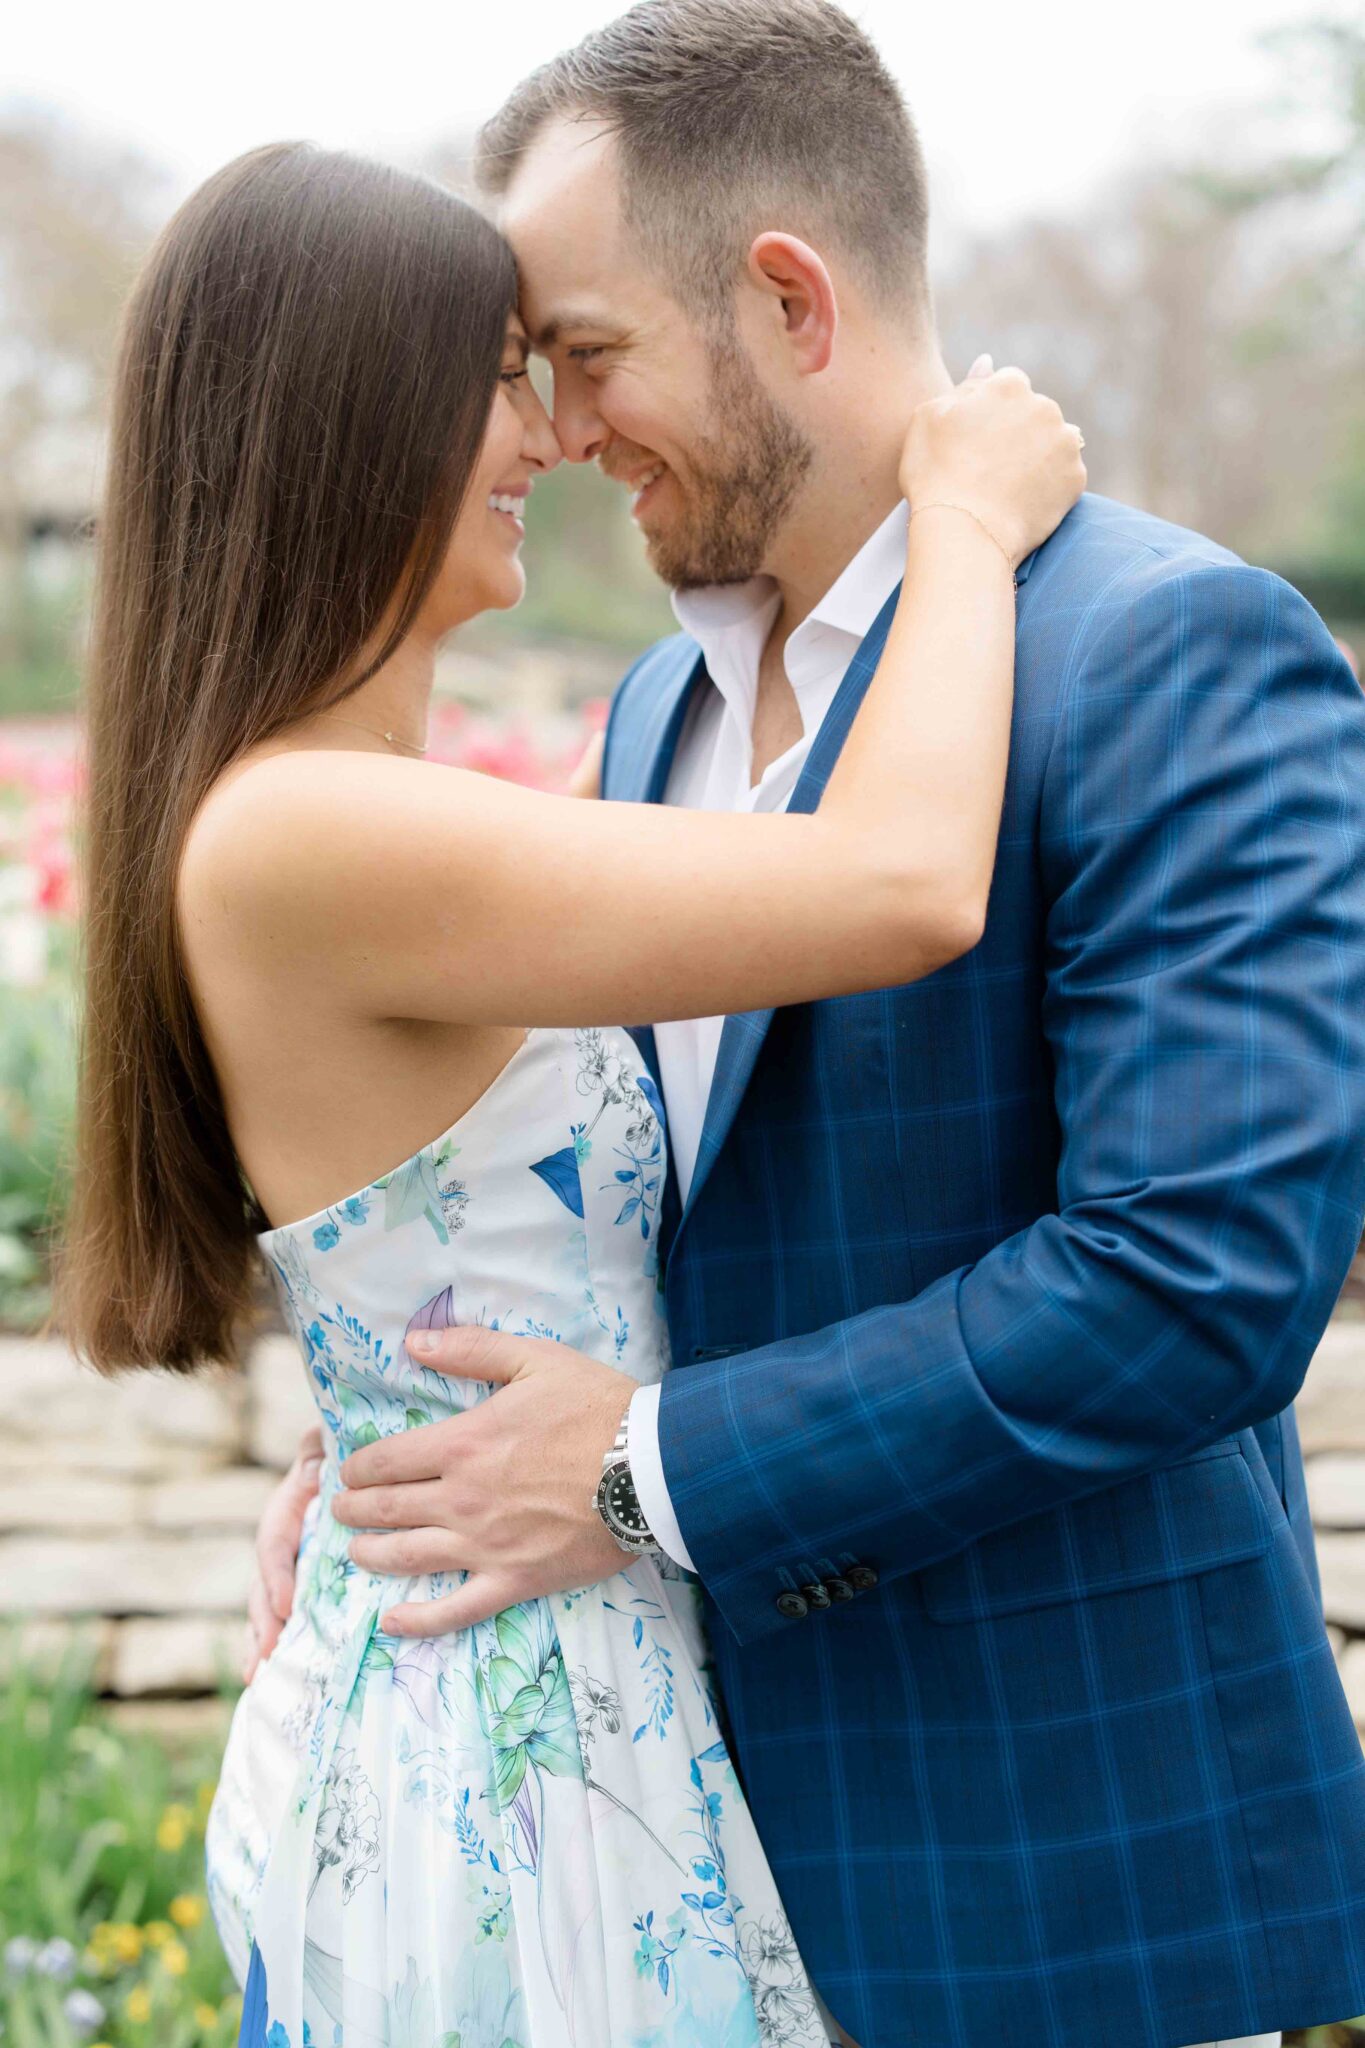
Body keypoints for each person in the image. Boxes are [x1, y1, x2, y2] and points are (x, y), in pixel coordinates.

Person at [250, 5, 1365, 2045]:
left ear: (781, 298)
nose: (558, 432)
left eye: (581, 354)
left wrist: (635, 1471)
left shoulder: (1166, 654)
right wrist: (405, 1440)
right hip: (659, 1859)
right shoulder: (647, 715)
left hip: (1046, 1872)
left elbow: (1196, 1282)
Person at [57, 137, 1083, 2047]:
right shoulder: (314, 834)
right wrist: (962, 516)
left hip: (532, 1656)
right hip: (517, 1759)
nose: (544, 434)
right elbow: (905, 885)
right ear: (354, 421)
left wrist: (358, 1433)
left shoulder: (326, 821)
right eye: (498, 379)